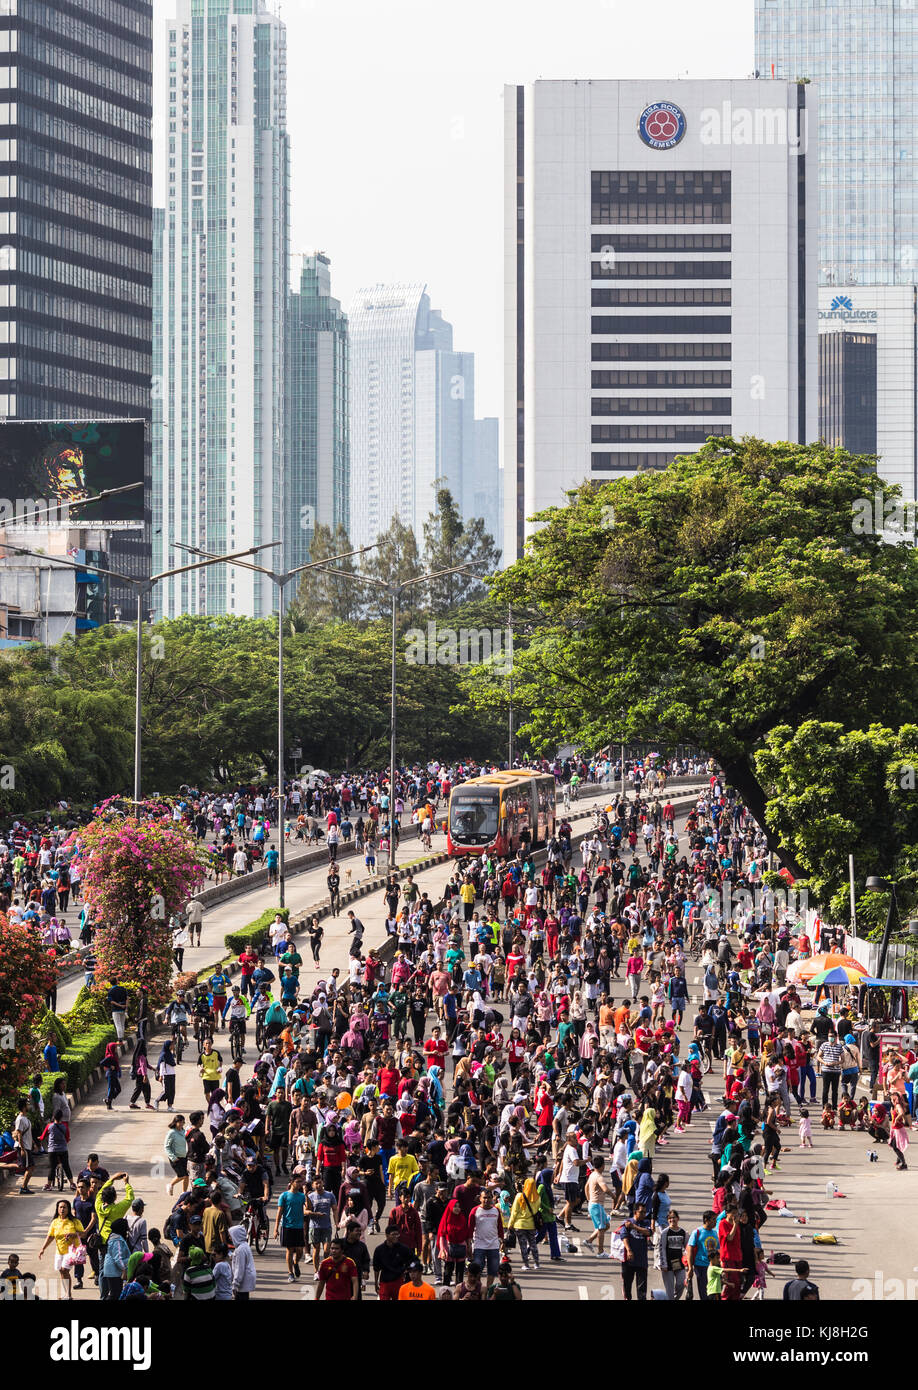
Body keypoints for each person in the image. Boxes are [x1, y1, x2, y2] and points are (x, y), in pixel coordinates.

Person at [38, 1198, 89, 1301]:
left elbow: (84, 1234)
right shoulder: (55, 1222)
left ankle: (69, 1295)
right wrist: (43, 1248)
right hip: (59, 1251)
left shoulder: (74, 1221)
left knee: (65, 1270)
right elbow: (51, 1236)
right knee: (61, 1272)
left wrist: (74, 1234)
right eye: (60, 1207)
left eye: (64, 1207)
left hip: (71, 1251)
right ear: (57, 1209)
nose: (62, 1209)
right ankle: (66, 1293)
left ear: (68, 1209)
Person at [229, 1223, 257, 1300]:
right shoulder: (244, 1245)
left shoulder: (240, 1250)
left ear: (236, 1236)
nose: (230, 1238)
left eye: (231, 1236)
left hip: (242, 1282)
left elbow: (239, 1269)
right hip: (246, 1280)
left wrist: (235, 1285)